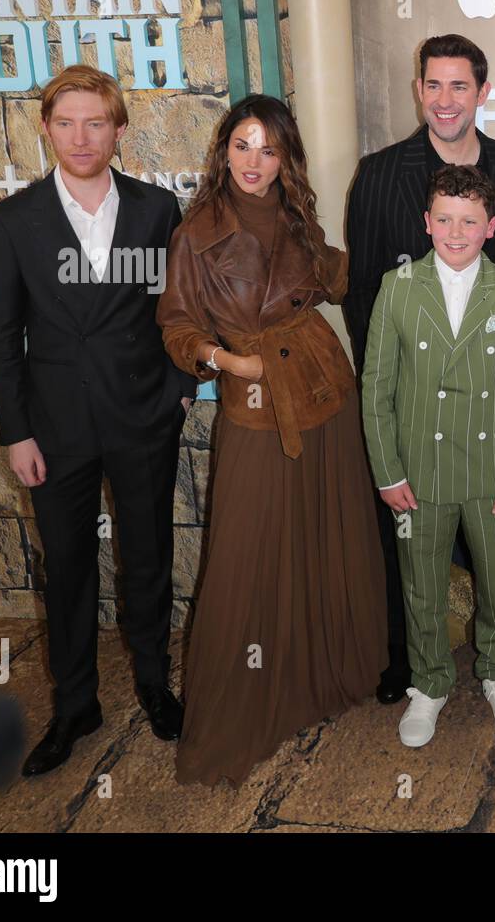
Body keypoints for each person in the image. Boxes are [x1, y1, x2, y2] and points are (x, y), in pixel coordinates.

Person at [157, 95, 386, 787]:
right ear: (223, 151)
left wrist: (437, 251)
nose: (254, 162)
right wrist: (229, 362)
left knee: (324, 534)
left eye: (268, 148)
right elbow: (176, 325)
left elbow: (345, 276)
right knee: (246, 550)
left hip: (323, 390)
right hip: (254, 402)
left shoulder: (296, 218)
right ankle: (251, 702)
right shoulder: (196, 231)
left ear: (284, 157)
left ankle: (319, 682)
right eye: (242, 146)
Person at [0, 65, 191, 777]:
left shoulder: (157, 210)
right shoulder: (12, 221)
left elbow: (179, 310)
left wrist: (180, 392)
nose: (81, 136)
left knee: (148, 557)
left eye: (95, 122)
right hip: (55, 429)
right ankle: (75, 704)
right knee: (67, 567)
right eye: (66, 122)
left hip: (143, 419)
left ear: (119, 131)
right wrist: (17, 432)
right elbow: (2, 335)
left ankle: (156, 685)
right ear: (46, 129)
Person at [345, 33, 495, 702]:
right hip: (415, 402)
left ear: (483, 93)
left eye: (460, 85)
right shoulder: (379, 172)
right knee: (412, 548)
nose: (446, 99)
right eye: (434, 84)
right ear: (417, 90)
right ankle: (413, 664)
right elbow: (364, 291)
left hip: (491, 391)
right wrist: (388, 397)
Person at [361, 165, 495, 747]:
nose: (455, 232)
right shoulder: (399, 287)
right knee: (422, 587)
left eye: (469, 221)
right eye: (444, 219)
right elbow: (376, 389)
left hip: (493, 474)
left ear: (490, 226)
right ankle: (430, 682)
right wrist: (387, 472)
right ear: (426, 222)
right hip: (419, 472)